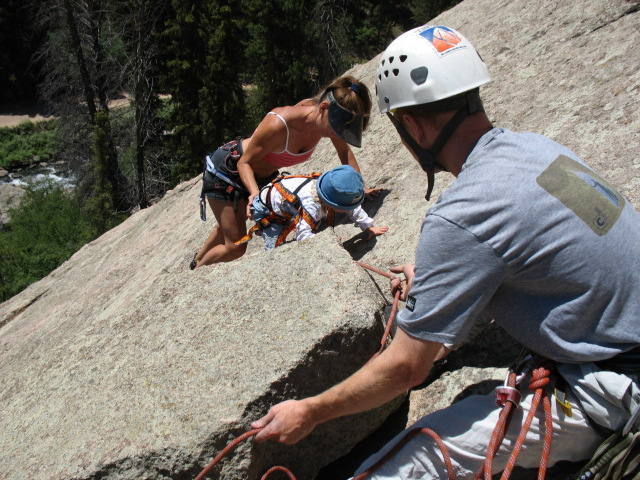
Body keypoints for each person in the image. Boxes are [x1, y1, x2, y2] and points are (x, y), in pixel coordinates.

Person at [249, 25, 640, 478]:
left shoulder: (463, 213)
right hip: (621, 338)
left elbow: (405, 370)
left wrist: (311, 411)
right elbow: (544, 247)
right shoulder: (537, 148)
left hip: (615, 381)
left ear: (411, 124)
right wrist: (441, 279)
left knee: (409, 460)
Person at [191, 76, 373, 269]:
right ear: (324, 107)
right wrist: (254, 194)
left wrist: (358, 188)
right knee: (236, 246)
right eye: (337, 128)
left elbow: (344, 152)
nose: (338, 135)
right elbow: (244, 162)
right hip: (228, 171)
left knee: (231, 222)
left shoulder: (325, 119)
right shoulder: (280, 123)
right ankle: (198, 270)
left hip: (262, 175)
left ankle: (198, 257)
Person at [238, 165, 388, 250]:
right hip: (266, 208)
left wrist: (367, 226)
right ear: (332, 203)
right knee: (273, 247)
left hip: (285, 199)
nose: (353, 207)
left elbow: (350, 206)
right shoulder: (312, 205)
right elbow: (303, 235)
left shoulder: (332, 187)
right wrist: (327, 246)